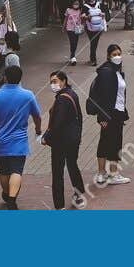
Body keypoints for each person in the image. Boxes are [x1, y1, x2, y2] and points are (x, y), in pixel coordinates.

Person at [0, 65, 42, 208]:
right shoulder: (28, 95)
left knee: (3, 171)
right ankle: (12, 199)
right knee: (16, 170)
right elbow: (37, 116)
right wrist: (38, 130)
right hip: (19, 140)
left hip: (0, 139)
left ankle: (7, 193)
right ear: (20, 78)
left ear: (5, 78)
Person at [85, 43, 132, 186]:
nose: (117, 56)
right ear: (108, 56)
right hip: (111, 113)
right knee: (113, 142)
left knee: (106, 141)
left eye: (119, 54)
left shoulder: (116, 71)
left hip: (117, 111)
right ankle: (113, 173)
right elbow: (103, 96)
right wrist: (103, 117)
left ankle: (102, 174)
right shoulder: (107, 72)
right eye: (114, 54)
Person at [41, 70, 88, 210]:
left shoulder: (62, 99)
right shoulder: (72, 94)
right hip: (73, 139)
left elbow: (58, 123)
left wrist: (46, 138)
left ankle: (59, 205)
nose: (53, 85)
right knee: (72, 165)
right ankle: (79, 192)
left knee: (57, 173)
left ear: (64, 81)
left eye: (55, 81)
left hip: (61, 141)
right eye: (51, 82)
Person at [83, 0, 108, 65]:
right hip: (89, 28)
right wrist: (87, 17)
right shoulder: (85, 6)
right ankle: (93, 59)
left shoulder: (100, 4)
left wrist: (102, 15)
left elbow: (105, 14)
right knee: (93, 42)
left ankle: (93, 59)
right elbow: (83, 16)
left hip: (98, 27)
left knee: (94, 42)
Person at [63, 0, 85, 65]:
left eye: (77, 3)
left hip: (77, 29)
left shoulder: (80, 11)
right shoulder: (68, 10)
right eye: (74, 3)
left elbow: (82, 19)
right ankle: (73, 56)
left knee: (75, 42)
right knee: (72, 42)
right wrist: (63, 27)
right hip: (69, 29)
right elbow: (65, 19)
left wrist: (83, 26)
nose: (76, 5)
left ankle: (72, 55)